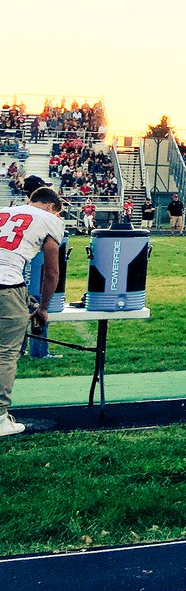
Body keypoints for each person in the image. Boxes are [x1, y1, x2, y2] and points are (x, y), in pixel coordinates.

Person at [0, 186, 64, 436]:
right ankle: (0, 418)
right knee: (5, 353)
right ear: (52, 207)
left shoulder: (4, 210)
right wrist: (43, 308)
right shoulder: (50, 219)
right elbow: (51, 271)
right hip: (6, 284)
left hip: (10, 283)